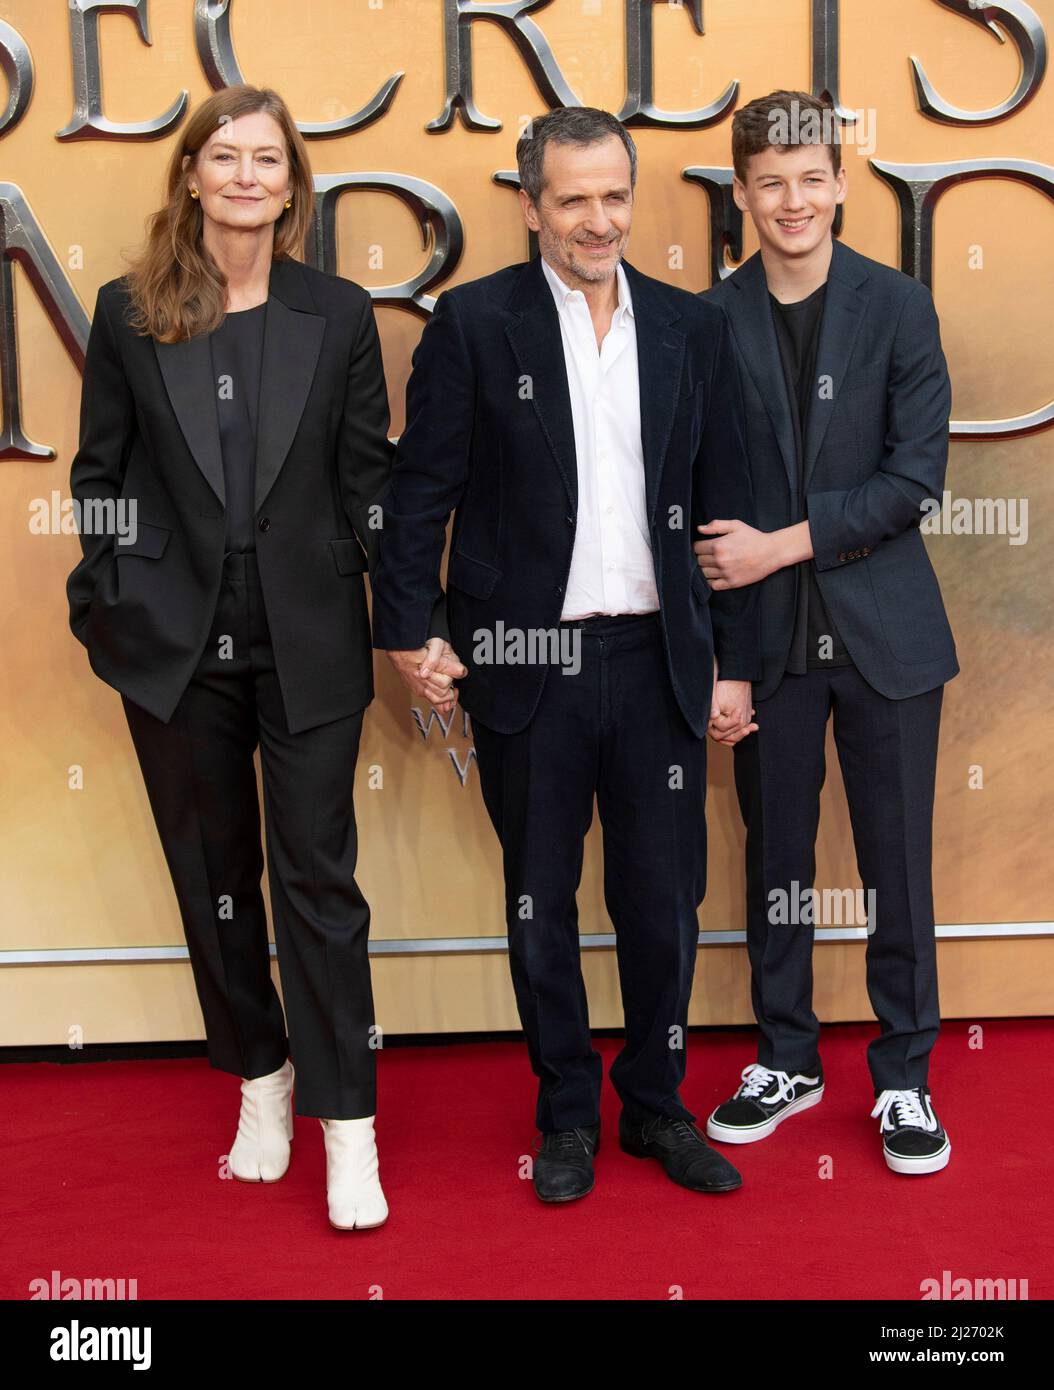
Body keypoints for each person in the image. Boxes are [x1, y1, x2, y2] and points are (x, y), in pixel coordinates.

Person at [371, 106, 760, 1203]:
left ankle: (655, 1107)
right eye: (574, 198)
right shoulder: (475, 324)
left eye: (615, 195)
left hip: (657, 662)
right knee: (539, 901)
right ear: (532, 205)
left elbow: (728, 510)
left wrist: (732, 664)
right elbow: (420, 494)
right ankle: (565, 1118)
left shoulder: (693, 327)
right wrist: (409, 627)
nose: (600, 219)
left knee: (662, 902)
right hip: (523, 655)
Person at [66, 84, 395, 1227]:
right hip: (173, 649)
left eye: (268, 158)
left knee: (318, 885)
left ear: (291, 184)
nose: (247, 175)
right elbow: (99, 478)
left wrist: (405, 621)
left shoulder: (339, 315)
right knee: (215, 883)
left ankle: (347, 1127)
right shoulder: (129, 311)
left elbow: (369, 491)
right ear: (194, 176)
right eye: (226, 155)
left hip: (308, 643)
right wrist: (104, 600)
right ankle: (262, 1081)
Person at [696, 90, 958, 1174]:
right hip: (761, 650)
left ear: (841, 184)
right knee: (778, 864)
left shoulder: (897, 306)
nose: (792, 200)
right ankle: (787, 1055)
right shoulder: (708, 319)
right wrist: (719, 660)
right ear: (743, 196)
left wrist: (782, 543)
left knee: (897, 865)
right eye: (769, 182)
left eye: (811, 178)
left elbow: (914, 482)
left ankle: (904, 1075)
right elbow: (699, 496)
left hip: (885, 638)